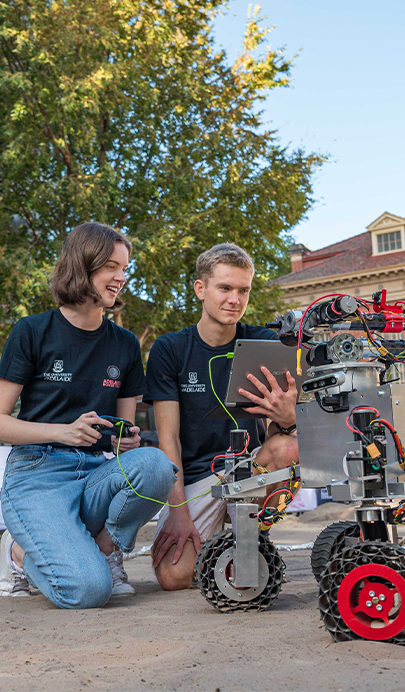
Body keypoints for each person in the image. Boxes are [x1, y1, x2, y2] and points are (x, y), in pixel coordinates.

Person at [0, 222, 177, 608]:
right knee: (88, 591)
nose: (121, 277)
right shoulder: (32, 331)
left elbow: (122, 433)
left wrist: (126, 440)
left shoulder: (125, 344)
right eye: (110, 267)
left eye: (124, 269)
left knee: (158, 465)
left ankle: (106, 549)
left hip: (94, 473)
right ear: (82, 266)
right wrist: (63, 432)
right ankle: (19, 552)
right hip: (37, 475)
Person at [145, 243, 299, 590]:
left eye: (243, 290)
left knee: (291, 447)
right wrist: (178, 511)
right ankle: (219, 538)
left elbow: (282, 431)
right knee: (174, 577)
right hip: (198, 476)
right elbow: (168, 439)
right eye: (225, 288)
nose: (235, 299)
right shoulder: (170, 349)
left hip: (249, 466)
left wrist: (289, 418)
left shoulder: (265, 343)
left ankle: (254, 536)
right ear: (201, 289)